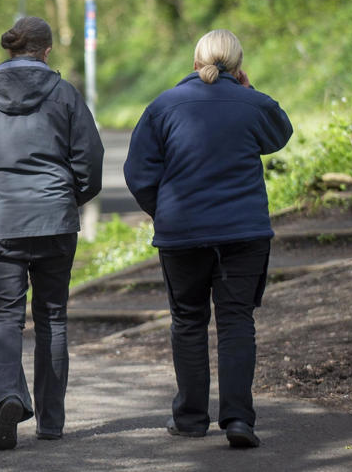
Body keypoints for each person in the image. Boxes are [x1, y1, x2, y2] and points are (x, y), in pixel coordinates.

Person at [123, 29, 292, 448]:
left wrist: (162, 212)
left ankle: (192, 417)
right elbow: (280, 134)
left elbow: (137, 172)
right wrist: (249, 90)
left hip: (182, 234)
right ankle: (238, 419)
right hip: (244, 232)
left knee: (188, 322)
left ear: (195, 62)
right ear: (239, 66)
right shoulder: (253, 104)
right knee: (237, 322)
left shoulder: (163, 106)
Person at [0, 16, 103, 450]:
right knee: (52, 317)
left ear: (12, 50)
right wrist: (69, 198)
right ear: (46, 50)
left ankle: (9, 398)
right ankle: (51, 422)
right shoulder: (64, 93)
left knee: (5, 317)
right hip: (53, 218)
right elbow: (90, 158)